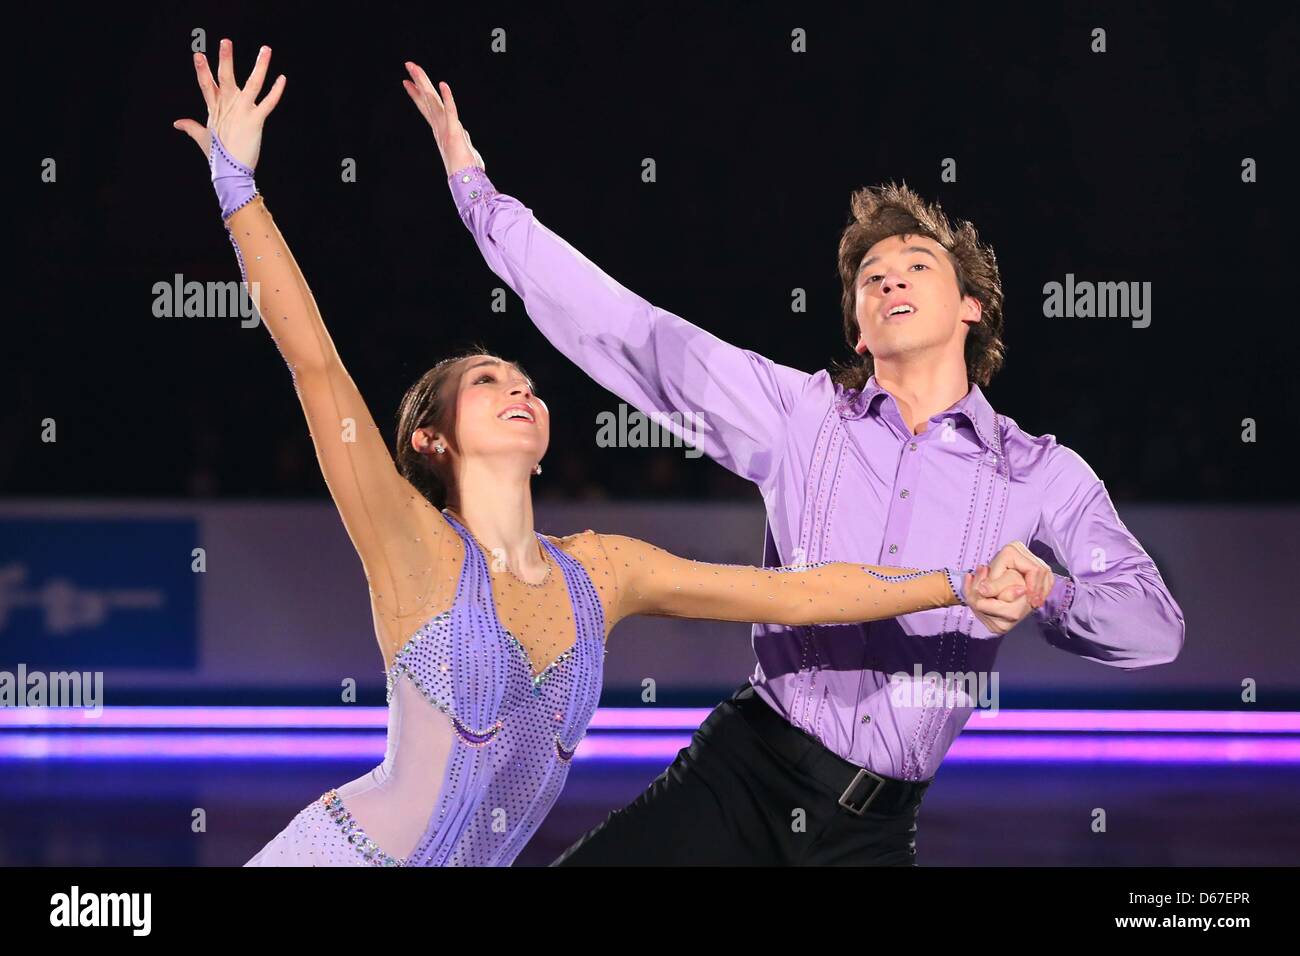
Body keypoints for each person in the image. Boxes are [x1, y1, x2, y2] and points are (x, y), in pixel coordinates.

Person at [172, 39, 1032, 867]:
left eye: (524, 380)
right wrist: (235, 183)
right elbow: (315, 365)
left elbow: (803, 592)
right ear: (429, 438)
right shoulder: (411, 543)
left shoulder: (603, 573)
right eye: (484, 381)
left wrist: (957, 584)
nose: (519, 388)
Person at [399, 61, 1186, 866]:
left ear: (972, 305)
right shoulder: (800, 418)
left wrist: (1049, 592)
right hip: (742, 780)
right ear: (857, 330)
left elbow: (1154, 624)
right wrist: (478, 195)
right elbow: (632, 335)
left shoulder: (1041, 474)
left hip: (876, 834)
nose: (888, 281)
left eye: (916, 266)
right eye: (870, 280)